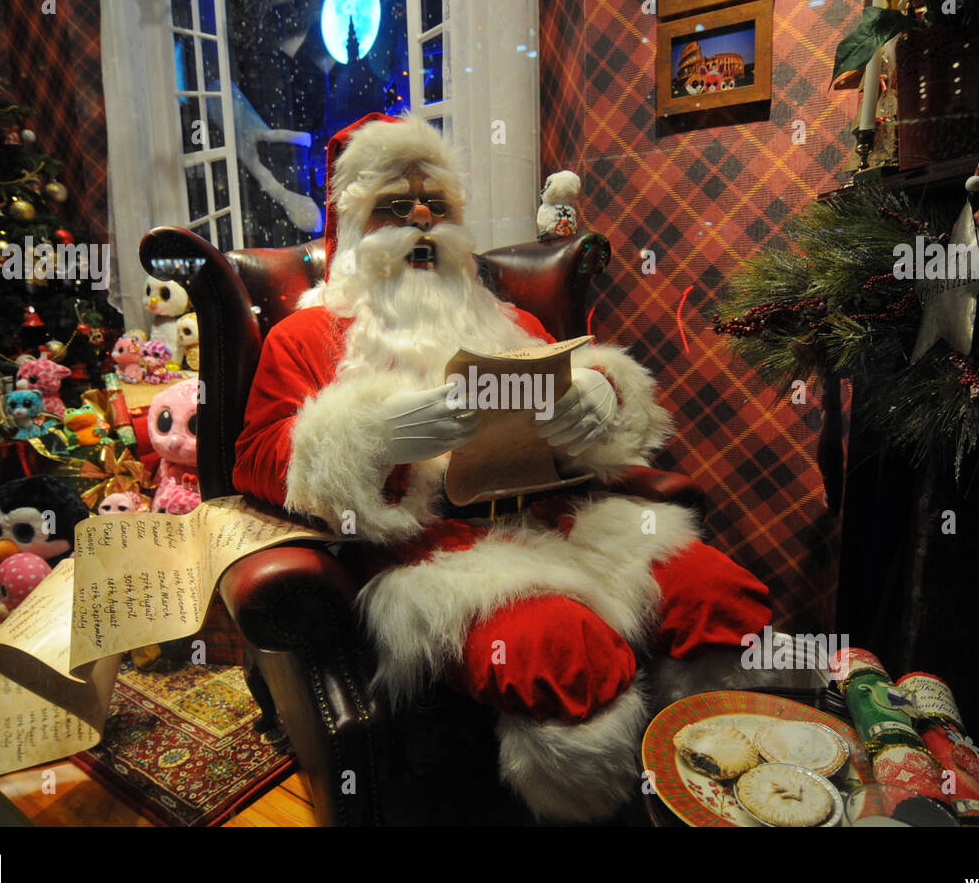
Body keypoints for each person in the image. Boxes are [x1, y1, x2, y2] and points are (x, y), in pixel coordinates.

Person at [233, 112, 772, 822]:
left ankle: (723, 783)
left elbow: (582, 377)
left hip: (563, 516)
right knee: (557, 646)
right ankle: (593, 805)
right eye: (396, 210)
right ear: (357, 231)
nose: (422, 224)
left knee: (716, 592)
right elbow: (256, 459)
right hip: (432, 551)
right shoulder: (304, 336)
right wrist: (376, 433)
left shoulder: (504, 318)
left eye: (439, 210)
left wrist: (599, 400)